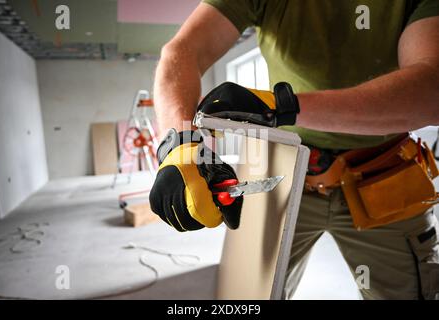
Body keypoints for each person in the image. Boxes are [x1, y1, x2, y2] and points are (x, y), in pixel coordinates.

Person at [149, 0, 439, 299]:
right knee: (248, 295)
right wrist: (180, 145)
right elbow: (182, 52)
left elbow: (432, 88)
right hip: (285, 175)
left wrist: (284, 107)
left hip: (384, 179)